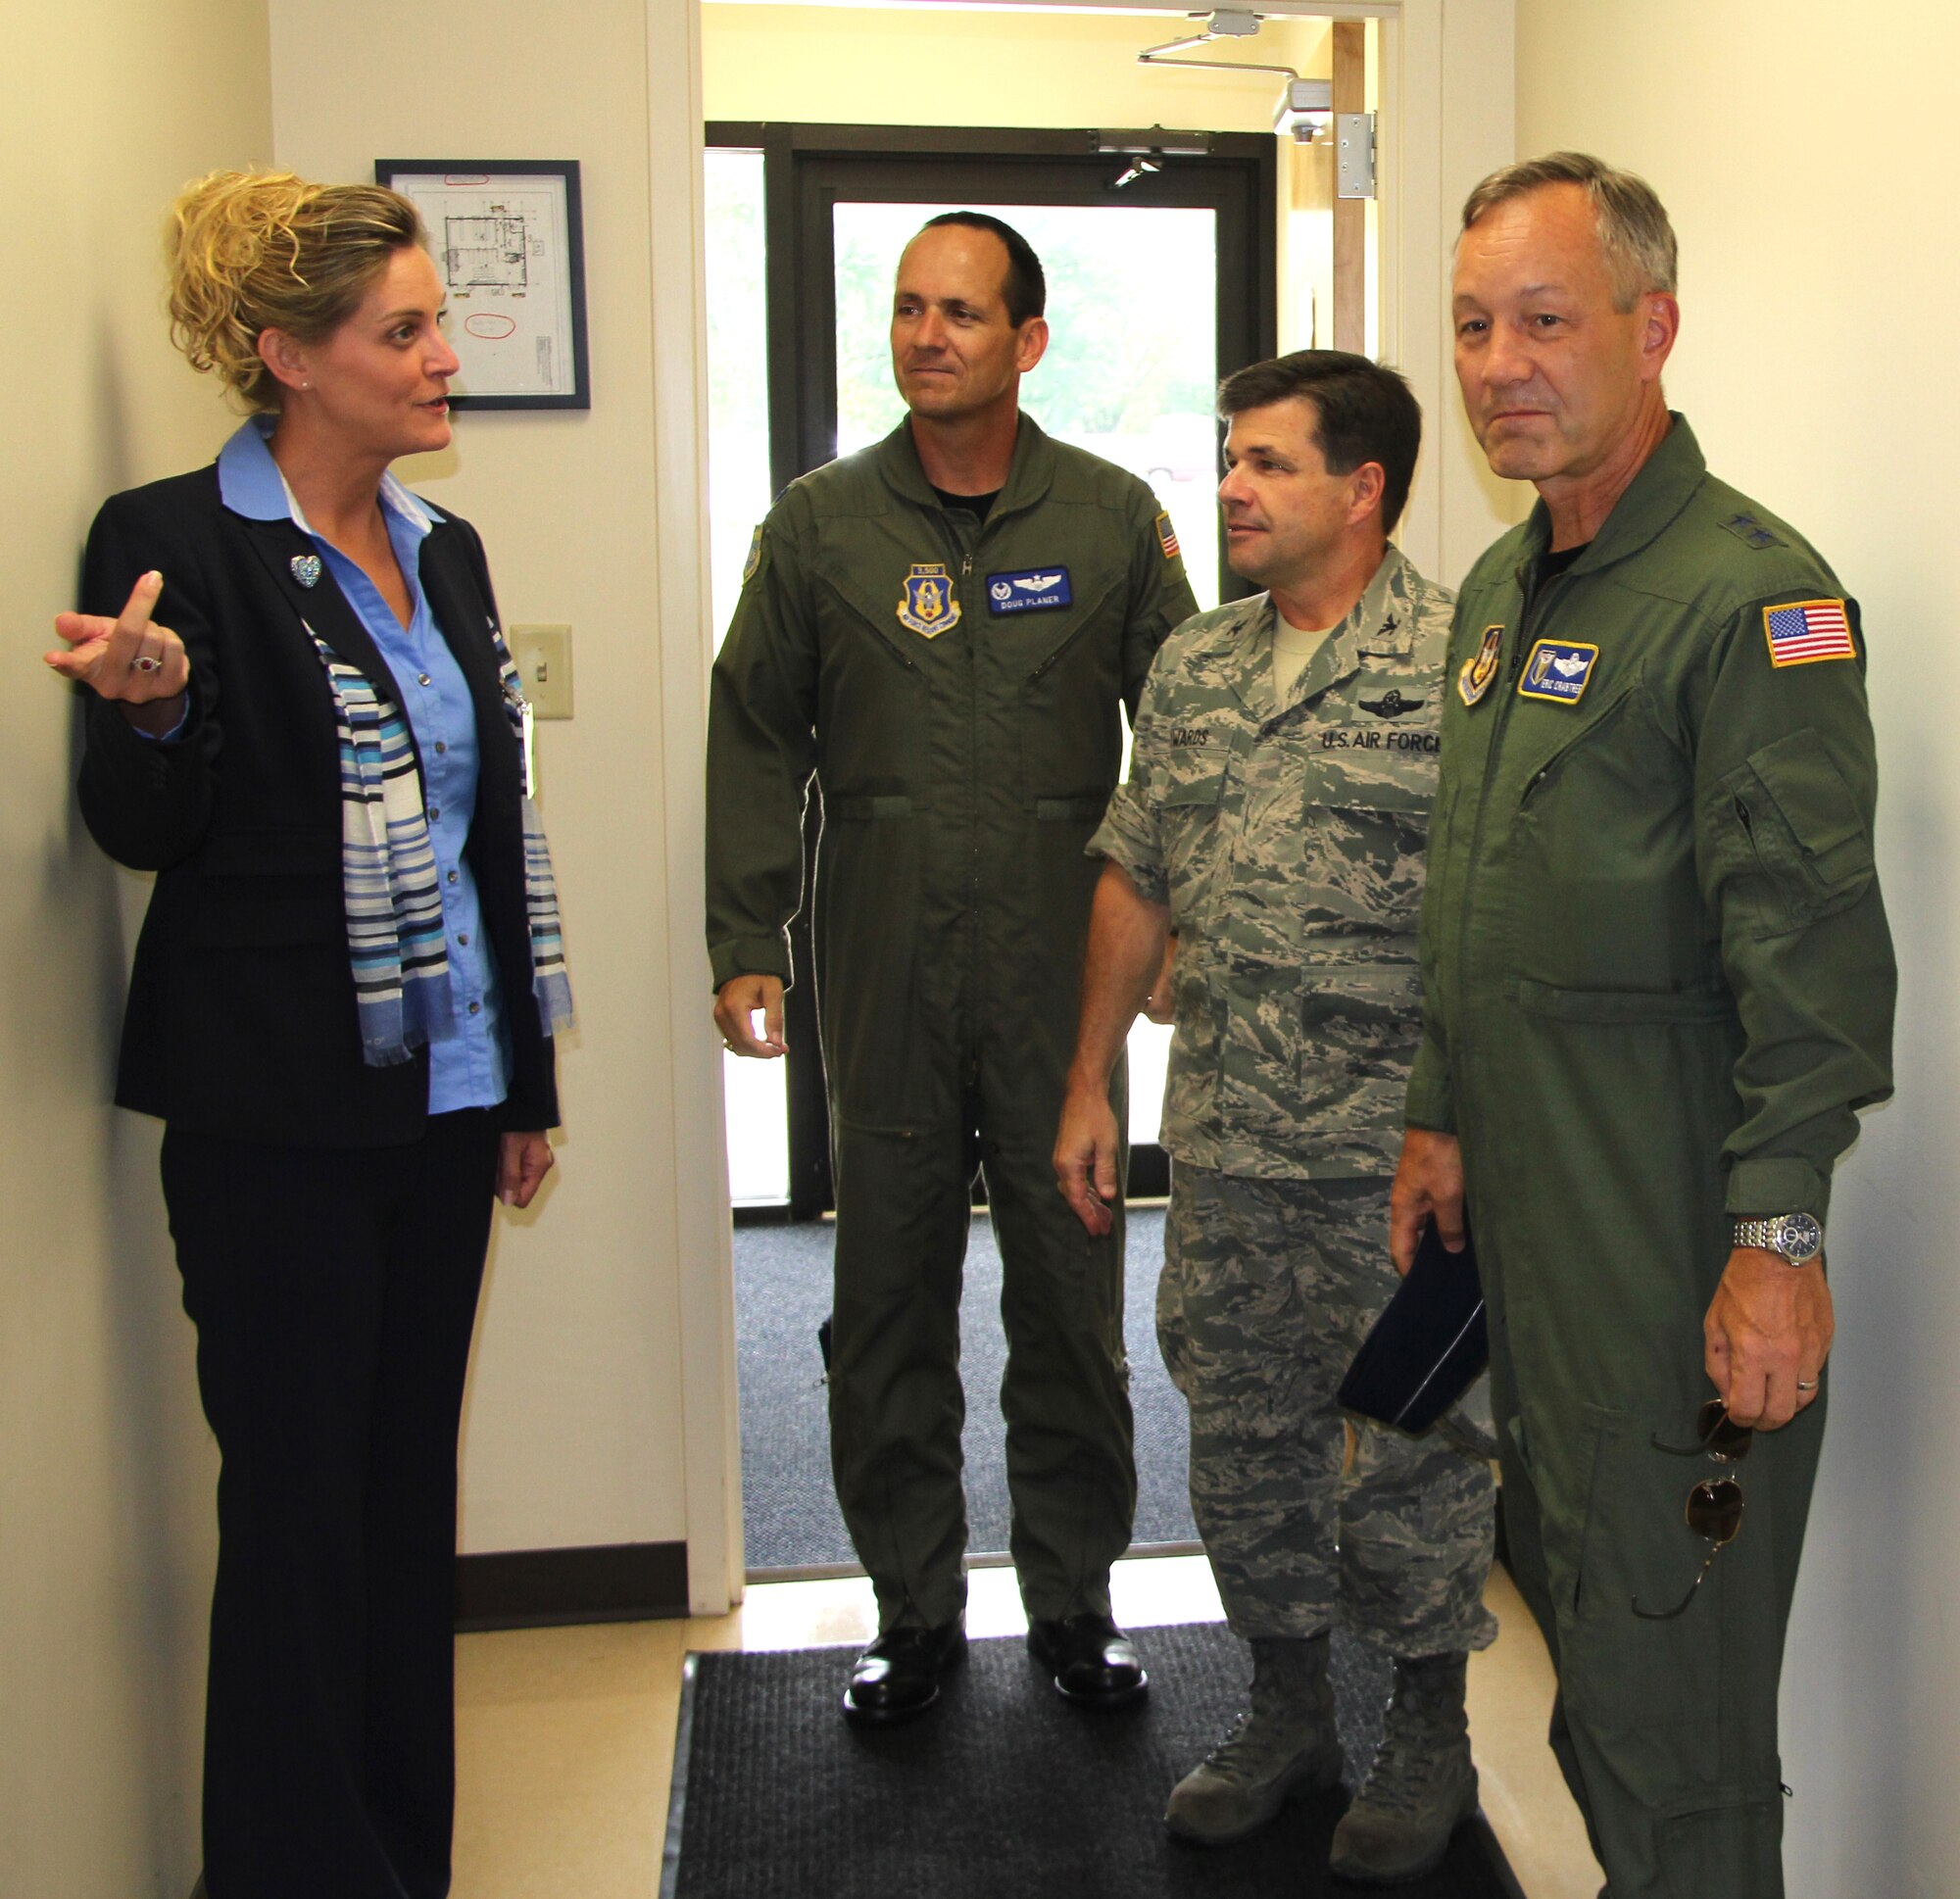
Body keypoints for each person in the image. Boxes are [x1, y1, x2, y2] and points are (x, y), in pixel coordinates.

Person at [45, 170, 571, 1899]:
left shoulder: (445, 549)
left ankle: (393, 1860)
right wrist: (157, 709)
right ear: (289, 354)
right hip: (274, 1113)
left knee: (401, 1510)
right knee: (295, 1526)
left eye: (437, 322)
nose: (444, 359)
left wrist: (523, 1088)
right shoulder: (177, 538)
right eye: (404, 331)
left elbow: (487, 829)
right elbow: (151, 831)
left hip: (444, 1100)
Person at [1392, 153, 1895, 1899]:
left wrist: (1778, 1238)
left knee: (1674, 1731)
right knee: (1592, 1688)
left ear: (1652, 325)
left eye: (1546, 319)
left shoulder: (1751, 603)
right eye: (1473, 325)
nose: (1500, 362)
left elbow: (1814, 956)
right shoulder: (1496, 599)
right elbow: (1475, 889)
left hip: (1668, 1257)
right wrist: (1441, 1111)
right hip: (1531, 1251)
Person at [707, 212, 1197, 1723]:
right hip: (884, 968)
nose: (929, 334)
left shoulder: (1112, 519)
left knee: (1068, 1296)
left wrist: (1172, 914)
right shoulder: (818, 526)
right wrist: (747, 936)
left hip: (1064, 984)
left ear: (1027, 342)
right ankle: (911, 1609)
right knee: (887, 1302)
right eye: (911, 309)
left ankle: (1075, 1602)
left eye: (964, 313)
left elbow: (1184, 731)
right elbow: (752, 734)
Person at [1055, 351, 1495, 1884]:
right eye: (1228, 457)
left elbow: (1504, 922)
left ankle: (1428, 1733)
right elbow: (1135, 873)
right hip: (1230, 1148)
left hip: (1396, 1162)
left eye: (1266, 464)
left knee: (1416, 1452)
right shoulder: (1195, 666)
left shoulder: (1463, 665)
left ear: (1363, 488)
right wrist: (1090, 1076)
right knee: (1245, 1442)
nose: (1230, 487)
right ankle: (1289, 1709)